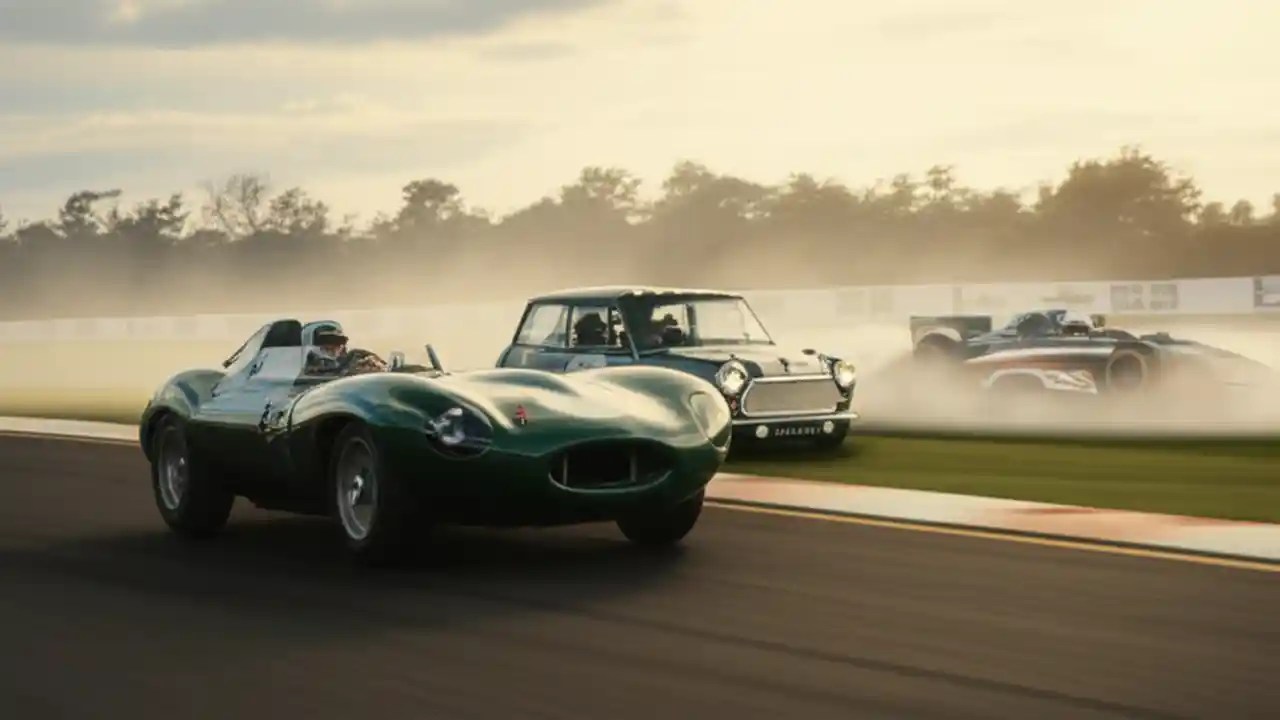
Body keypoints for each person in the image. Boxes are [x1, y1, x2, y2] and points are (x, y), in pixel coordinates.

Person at [306, 325, 388, 376]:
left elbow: (383, 372)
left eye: (338, 341)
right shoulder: (305, 365)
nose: (333, 346)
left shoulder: (357, 357)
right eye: (326, 341)